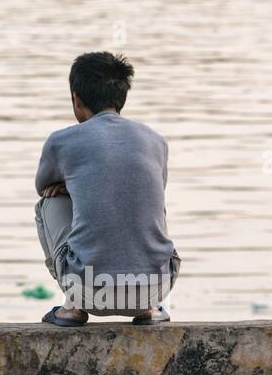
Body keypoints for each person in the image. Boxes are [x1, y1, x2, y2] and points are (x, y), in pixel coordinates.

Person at [34, 52, 180, 326]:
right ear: (121, 98)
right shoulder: (155, 140)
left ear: (76, 99)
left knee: (48, 205)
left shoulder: (61, 141)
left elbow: (43, 187)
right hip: (156, 286)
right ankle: (147, 308)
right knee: (147, 200)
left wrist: (70, 184)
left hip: (89, 290)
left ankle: (73, 307)